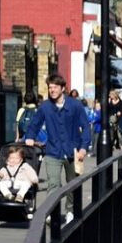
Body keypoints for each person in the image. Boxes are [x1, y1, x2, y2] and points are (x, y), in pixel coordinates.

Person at [24, 74, 90, 222]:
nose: (52, 90)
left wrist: (84, 148)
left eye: (55, 87)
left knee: (72, 183)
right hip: (53, 151)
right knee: (53, 183)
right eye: (50, 88)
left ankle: (70, 211)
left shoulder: (75, 105)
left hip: (73, 151)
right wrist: (29, 137)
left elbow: (86, 127)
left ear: (62, 88)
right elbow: (34, 124)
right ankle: (52, 212)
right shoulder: (45, 107)